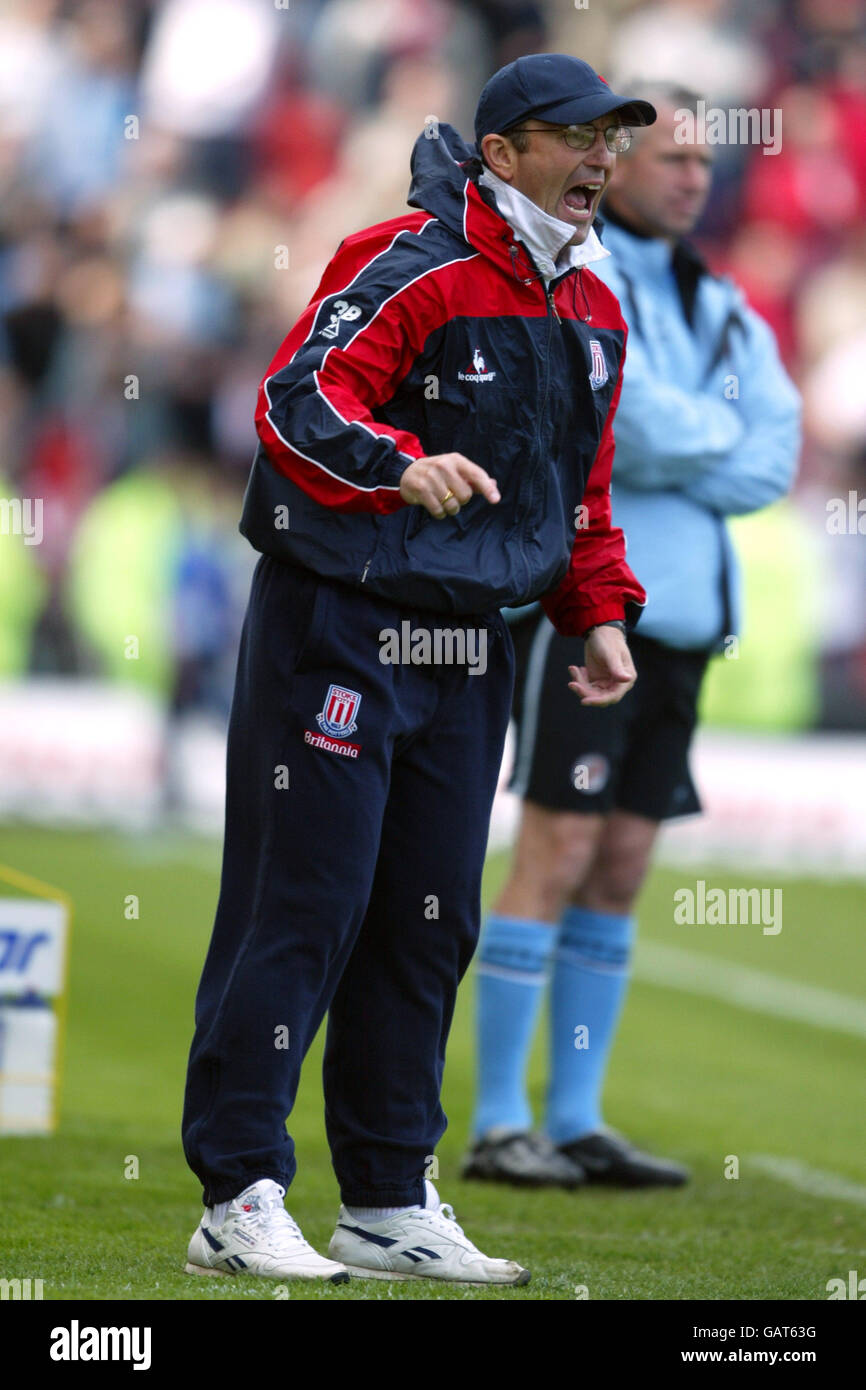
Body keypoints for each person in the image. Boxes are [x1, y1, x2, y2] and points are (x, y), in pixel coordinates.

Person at [180, 53, 655, 1287]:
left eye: (612, 135)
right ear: (502, 154)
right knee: (303, 906)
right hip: (341, 620)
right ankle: (236, 1191)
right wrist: (397, 460)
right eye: (575, 136)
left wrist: (596, 611)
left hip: (471, 647)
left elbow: (578, 492)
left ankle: (386, 1197)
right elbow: (295, 400)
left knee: (431, 920)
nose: (602, 156)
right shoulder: (408, 260)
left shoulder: (593, 306)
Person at [464, 83, 801, 1191]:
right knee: (554, 851)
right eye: (670, 159)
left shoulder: (721, 301)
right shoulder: (588, 271)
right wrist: (704, 436)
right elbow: (626, 418)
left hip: (689, 622)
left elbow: (774, 452)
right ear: (612, 162)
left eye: (705, 162)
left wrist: (688, 438)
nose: (692, 178)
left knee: (618, 863)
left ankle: (573, 1116)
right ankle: (499, 1121)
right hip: (592, 608)